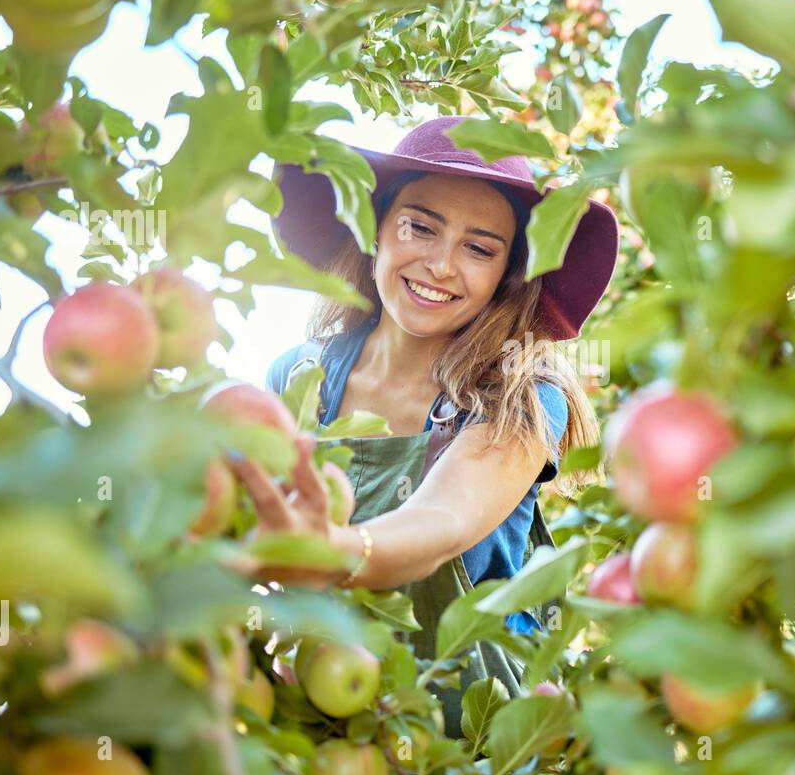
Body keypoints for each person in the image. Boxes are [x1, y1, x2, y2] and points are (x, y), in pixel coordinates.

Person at [228, 116, 619, 735]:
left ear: (507, 274)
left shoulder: (520, 392)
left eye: (479, 248)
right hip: (313, 730)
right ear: (376, 229)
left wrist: (338, 552)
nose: (440, 266)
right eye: (420, 227)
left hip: (465, 749)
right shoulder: (298, 377)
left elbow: (445, 520)